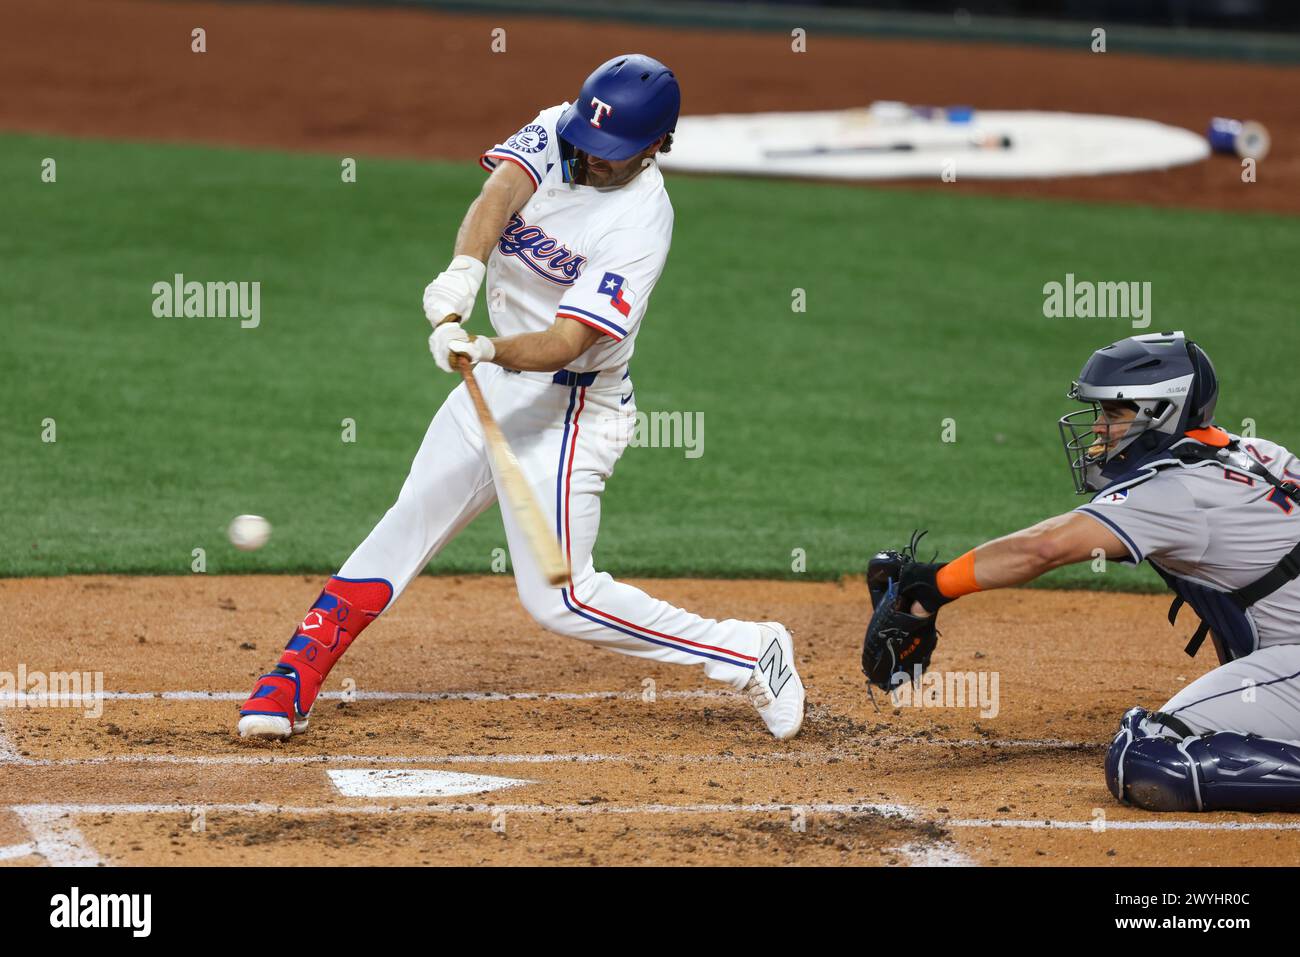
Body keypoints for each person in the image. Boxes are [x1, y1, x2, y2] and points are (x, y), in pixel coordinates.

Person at [237, 54, 805, 743]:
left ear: (657, 144)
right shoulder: (559, 128)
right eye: (588, 145)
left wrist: (484, 348)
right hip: (497, 382)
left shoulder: (639, 226)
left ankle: (750, 651)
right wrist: (463, 271)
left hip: (569, 414)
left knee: (561, 599)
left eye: (611, 153)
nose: (592, 160)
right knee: (408, 519)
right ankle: (294, 673)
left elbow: (566, 341)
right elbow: (499, 194)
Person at [864, 331, 1300, 811]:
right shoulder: (1258, 453)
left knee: (1149, 755)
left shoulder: (1173, 491)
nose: (1097, 429)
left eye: (1114, 414)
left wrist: (934, 586)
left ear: (1162, 412)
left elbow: (1046, 547)